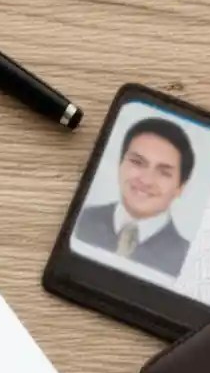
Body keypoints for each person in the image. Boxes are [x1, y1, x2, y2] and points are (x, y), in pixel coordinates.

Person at [74, 116, 195, 277]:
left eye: (164, 172)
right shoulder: (80, 219)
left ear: (180, 187)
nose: (146, 180)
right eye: (137, 162)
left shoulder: (187, 261)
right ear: (120, 164)